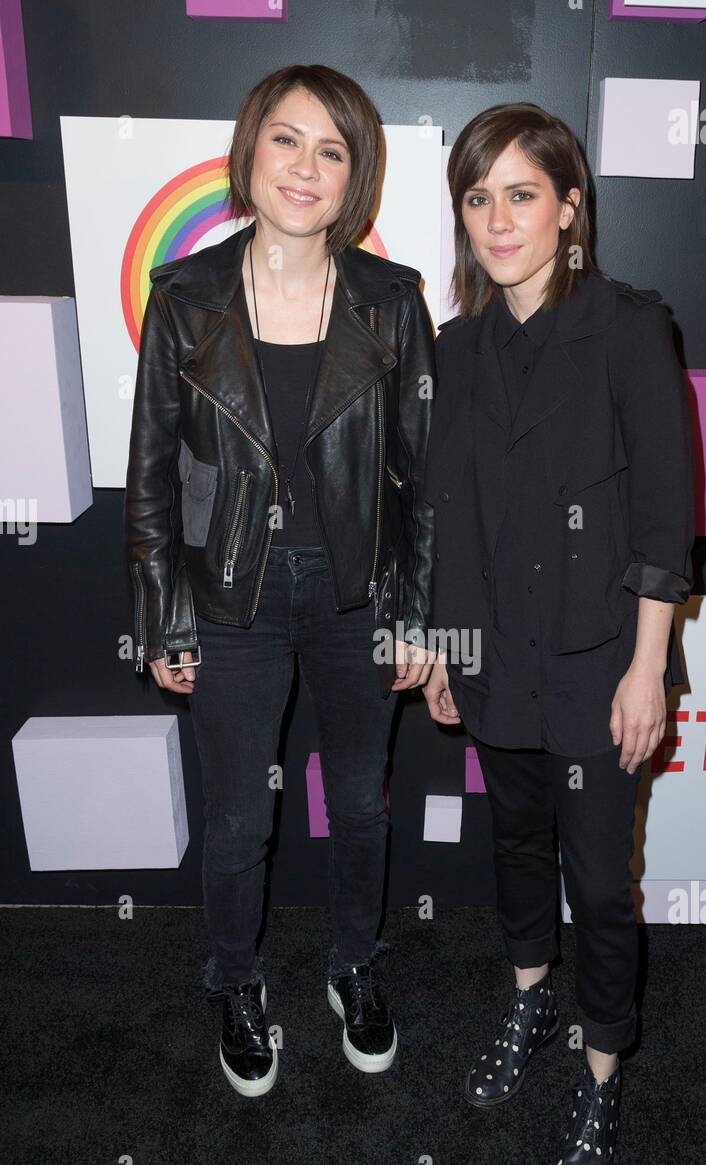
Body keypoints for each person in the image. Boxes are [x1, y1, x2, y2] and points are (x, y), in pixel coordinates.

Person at [124, 65, 435, 1097]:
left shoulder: (394, 303)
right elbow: (153, 476)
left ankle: (355, 966)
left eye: (332, 149)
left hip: (354, 598)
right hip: (229, 597)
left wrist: (413, 610)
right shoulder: (187, 299)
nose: (306, 167)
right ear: (249, 152)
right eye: (287, 140)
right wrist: (165, 615)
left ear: (356, 179)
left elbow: (420, 479)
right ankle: (237, 982)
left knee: (358, 803)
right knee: (236, 820)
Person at [422, 102, 695, 1165]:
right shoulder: (454, 347)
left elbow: (667, 515)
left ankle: (600, 1076)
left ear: (570, 206)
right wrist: (445, 647)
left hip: (596, 665)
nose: (497, 218)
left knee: (600, 881)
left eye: (520, 193)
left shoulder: (628, 328)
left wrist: (645, 669)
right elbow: (449, 511)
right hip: (494, 659)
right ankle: (529, 999)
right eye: (478, 197)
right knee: (516, 851)